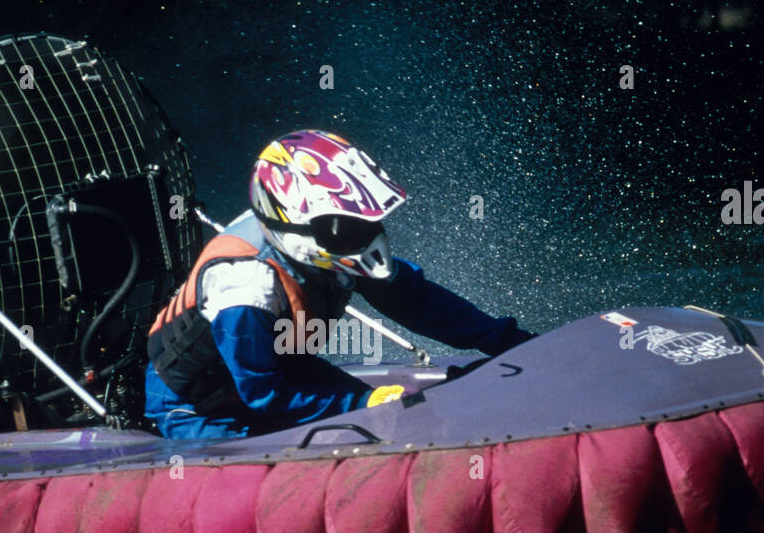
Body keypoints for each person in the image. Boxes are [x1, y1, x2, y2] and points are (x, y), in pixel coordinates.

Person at [144, 129, 534, 439]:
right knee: (357, 433)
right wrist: (364, 401)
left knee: (405, 419)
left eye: (366, 224)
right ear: (295, 226)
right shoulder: (246, 287)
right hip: (198, 404)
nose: (363, 237)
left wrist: (503, 340)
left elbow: (416, 301)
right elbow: (262, 393)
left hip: (281, 373)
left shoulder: (328, 246)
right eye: (347, 227)